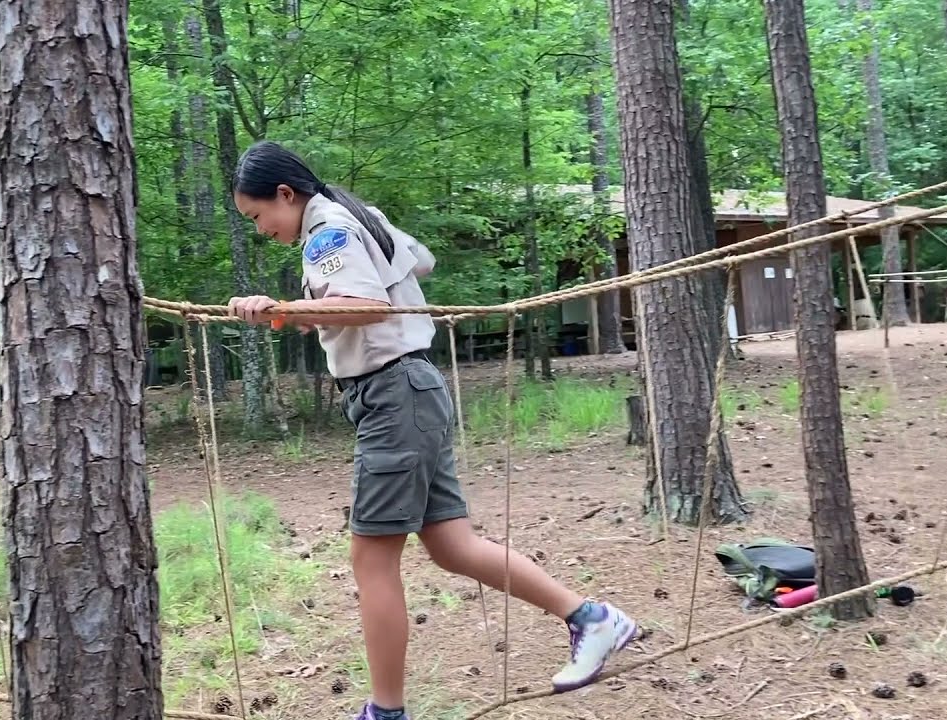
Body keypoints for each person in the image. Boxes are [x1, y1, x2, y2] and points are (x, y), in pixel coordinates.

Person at [226, 141, 638, 720]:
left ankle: (385, 713)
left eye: (259, 216)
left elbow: (366, 305)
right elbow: (421, 261)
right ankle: (593, 619)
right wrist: (318, 303)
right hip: (409, 391)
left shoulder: (325, 230)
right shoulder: (359, 214)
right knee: (451, 545)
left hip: (394, 396)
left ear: (286, 195)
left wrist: (284, 309)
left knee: (371, 558)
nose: (262, 228)